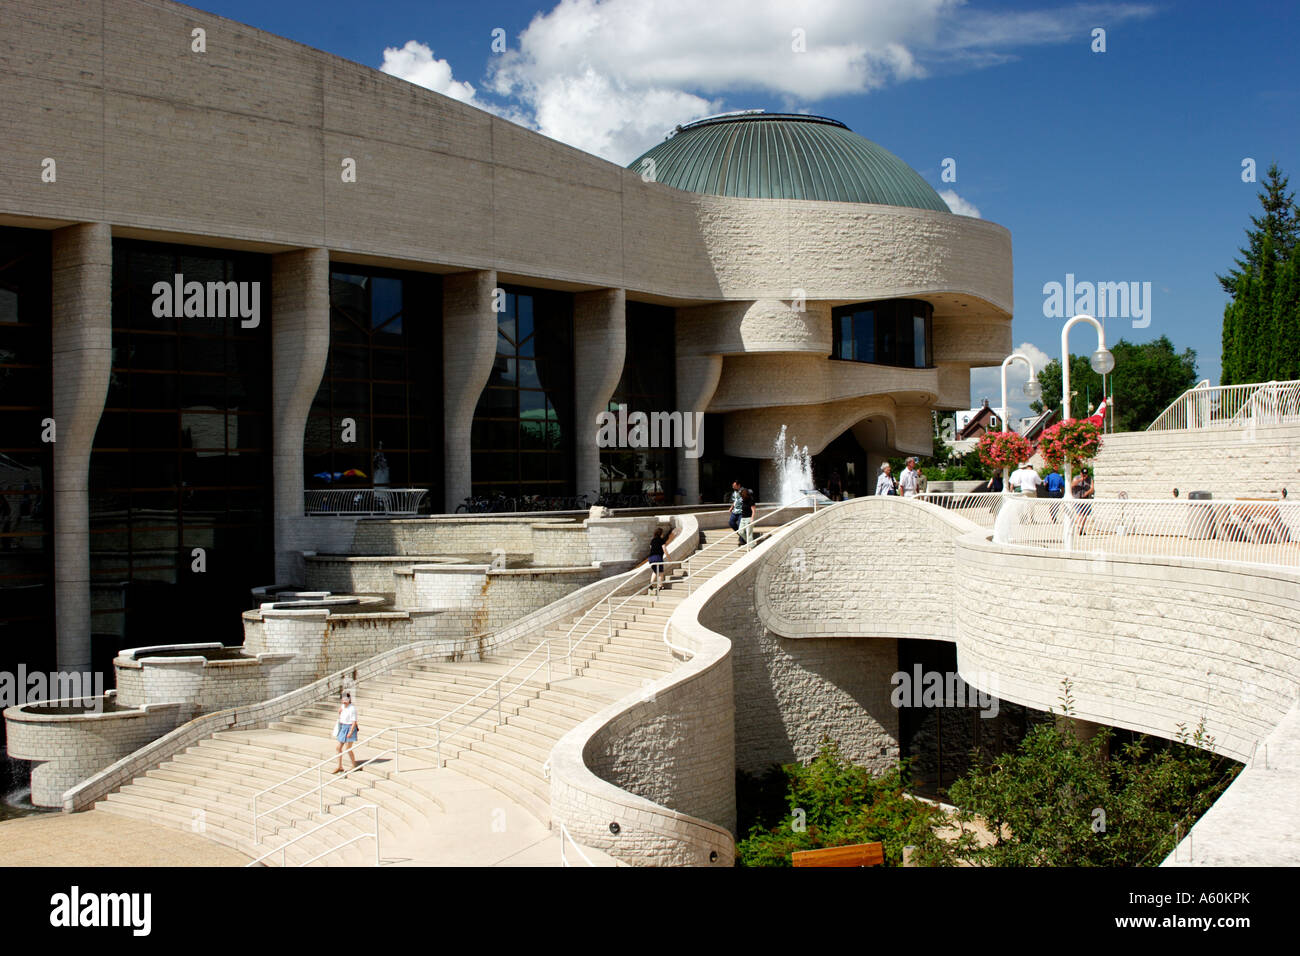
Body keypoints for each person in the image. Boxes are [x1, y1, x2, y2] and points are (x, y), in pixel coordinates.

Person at [333, 691, 359, 773]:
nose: (344, 700)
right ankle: (339, 766)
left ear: (349, 699)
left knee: (348, 748)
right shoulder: (342, 707)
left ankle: (353, 764)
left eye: (346, 698)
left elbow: (354, 722)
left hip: (350, 727)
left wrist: (350, 732)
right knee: (338, 747)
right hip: (343, 727)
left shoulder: (352, 708)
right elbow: (342, 717)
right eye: (343, 698)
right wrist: (339, 712)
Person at [1071, 467, 1095, 533]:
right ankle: (1079, 526)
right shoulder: (1076, 478)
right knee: (1080, 514)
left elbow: (1092, 488)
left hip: (1086, 499)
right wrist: (1080, 480)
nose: (1084, 475)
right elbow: (1072, 484)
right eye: (1083, 474)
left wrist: (1087, 492)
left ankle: (1082, 527)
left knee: (1085, 514)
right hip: (1077, 498)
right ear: (1080, 473)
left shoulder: (1090, 479)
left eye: (1085, 474)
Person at [726, 480, 747, 545]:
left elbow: (748, 500)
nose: (733, 487)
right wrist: (731, 507)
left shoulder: (744, 491)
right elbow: (735, 501)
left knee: (740, 525)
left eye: (734, 486)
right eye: (733, 486)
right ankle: (743, 535)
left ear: (738, 485)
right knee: (731, 523)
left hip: (742, 511)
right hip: (735, 511)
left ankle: (742, 539)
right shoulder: (734, 493)